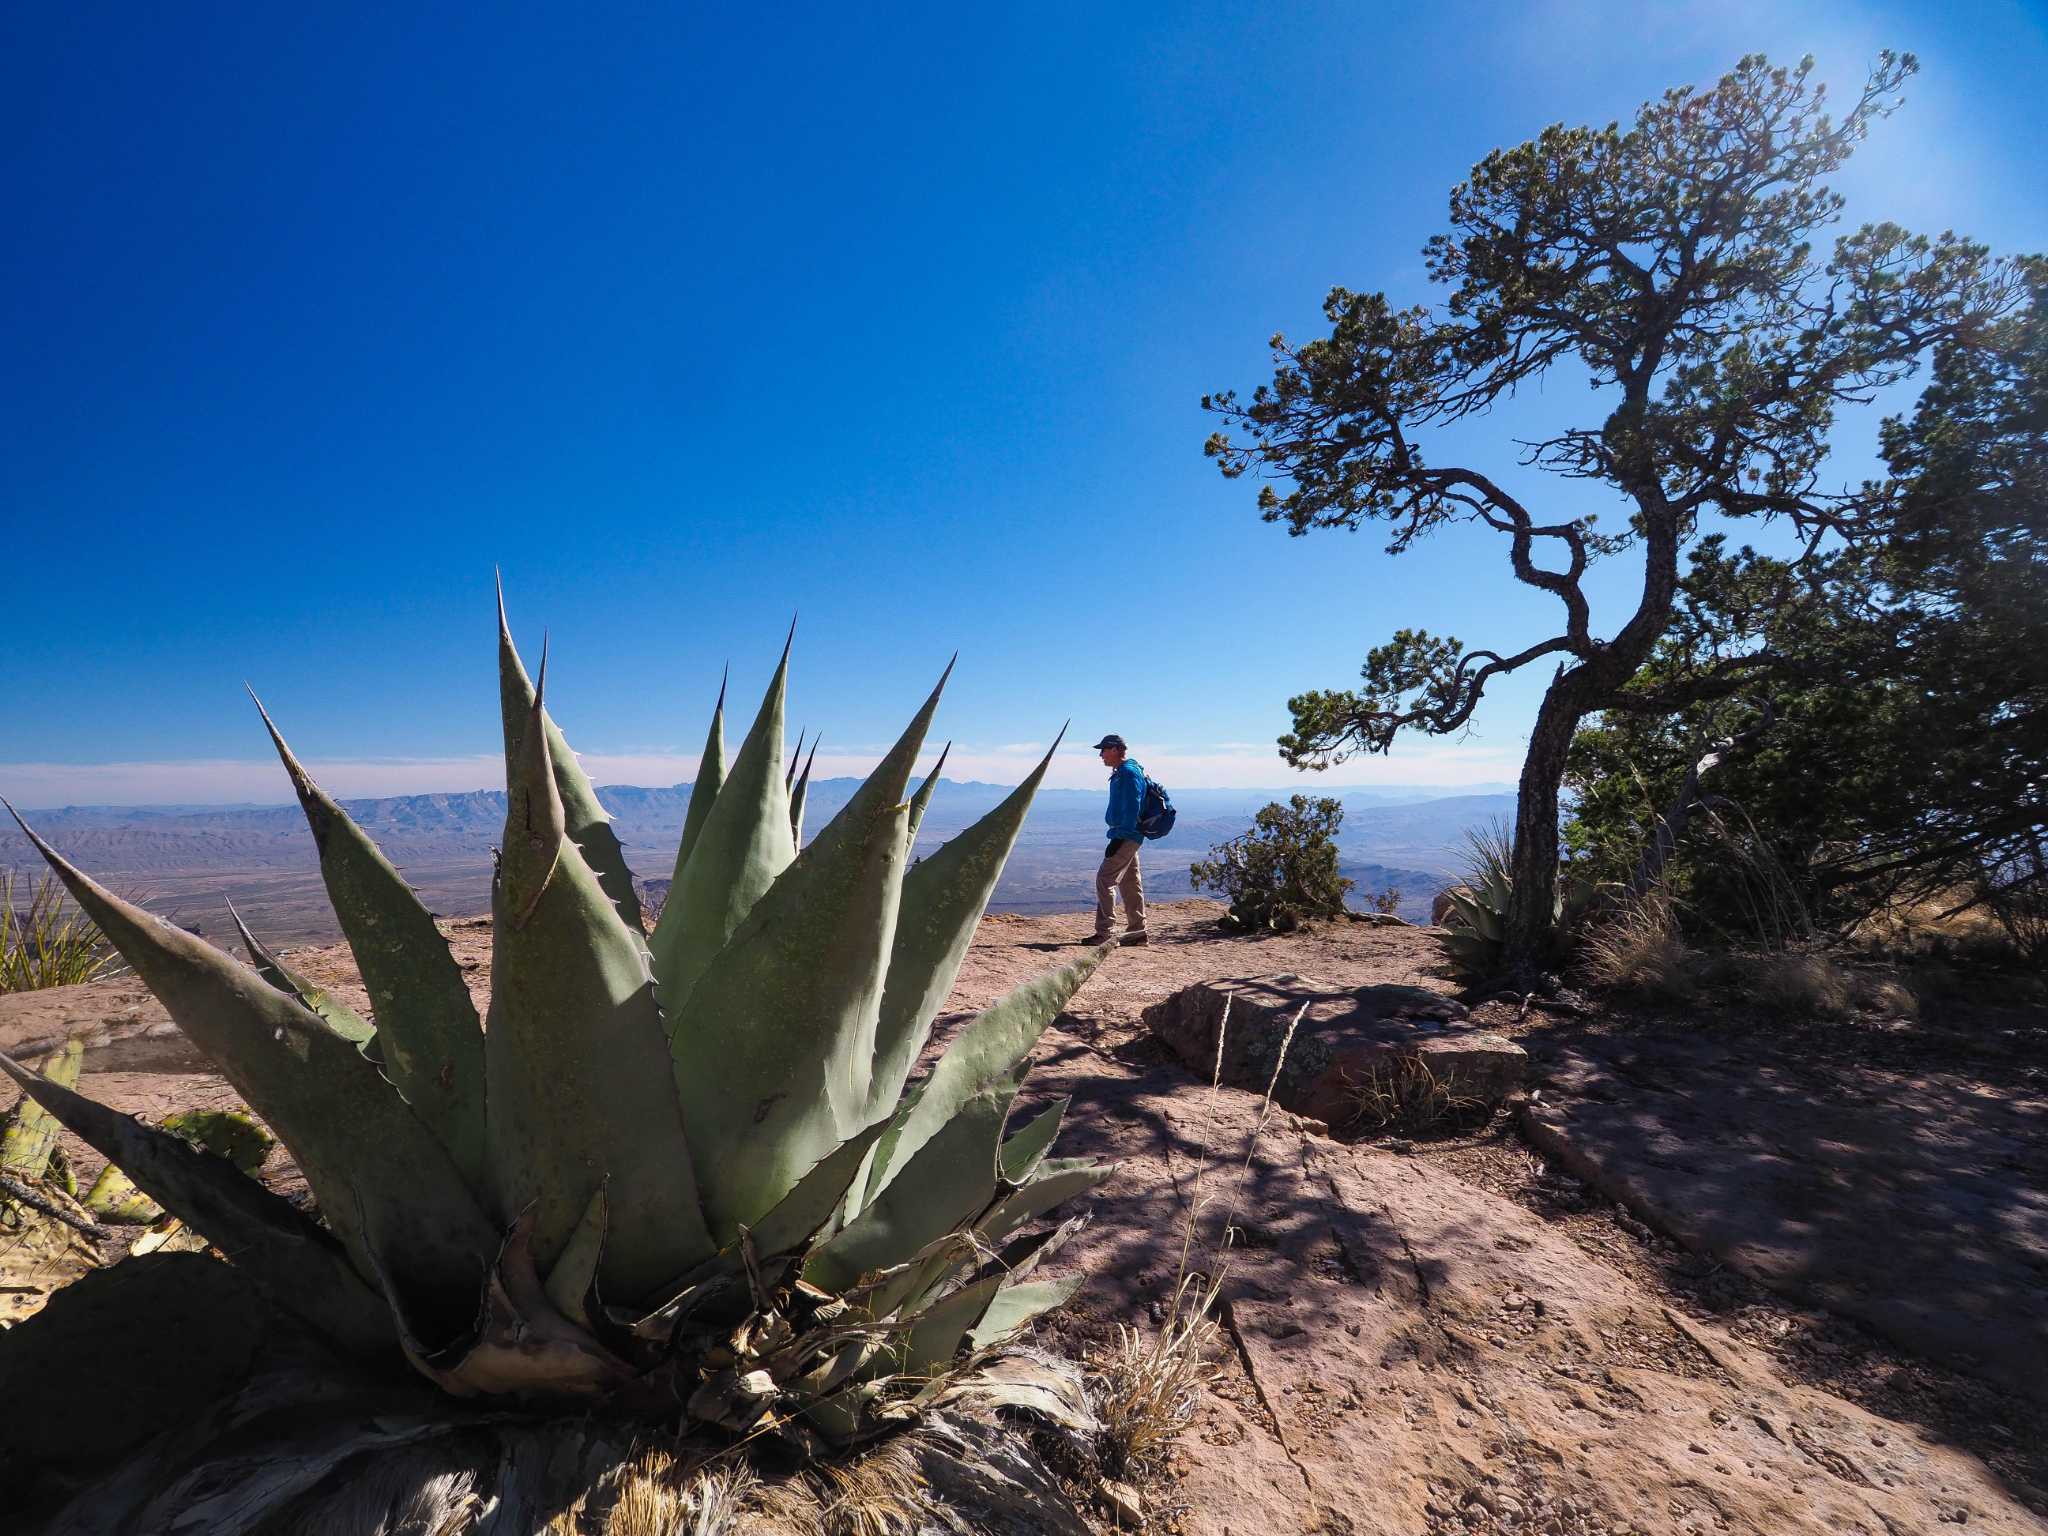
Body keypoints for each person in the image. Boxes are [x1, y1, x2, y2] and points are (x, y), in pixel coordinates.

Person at [1086, 734, 1147, 945]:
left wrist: (1120, 837)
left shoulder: (1128, 773)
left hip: (1126, 835)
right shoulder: (1124, 772)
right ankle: (1137, 933)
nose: (1101, 755)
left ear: (1114, 749)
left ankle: (1105, 933)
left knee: (1105, 879)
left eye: (1103, 750)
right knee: (1130, 883)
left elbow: (1133, 807)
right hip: (1128, 835)